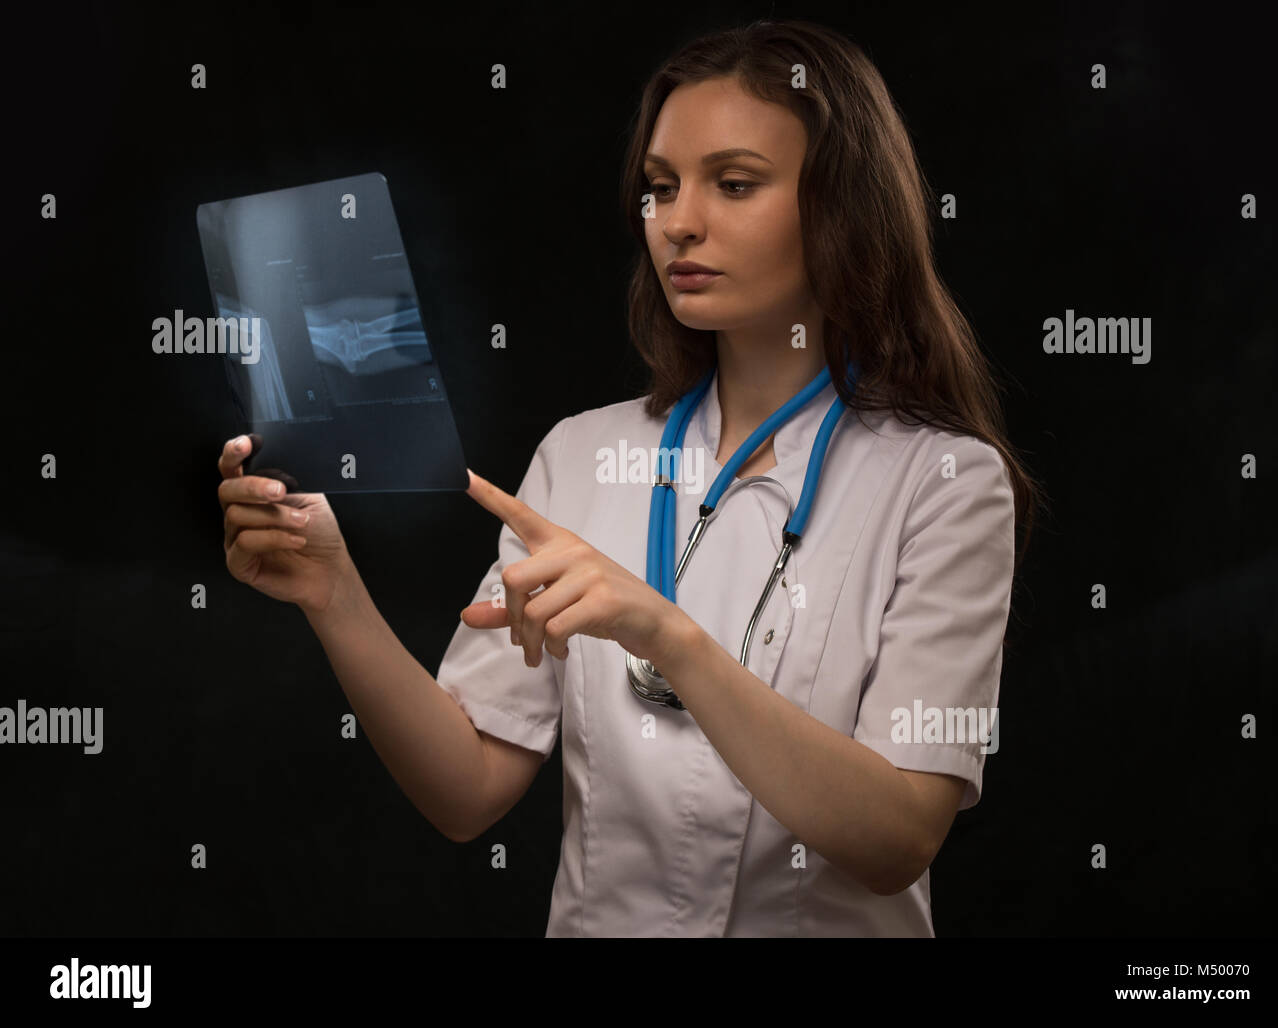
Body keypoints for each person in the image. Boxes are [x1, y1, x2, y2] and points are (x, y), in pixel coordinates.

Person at [216, 18, 1043, 937]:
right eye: (660, 187)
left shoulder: (944, 483)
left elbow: (898, 838)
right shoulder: (581, 457)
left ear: (842, 205)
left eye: (734, 184)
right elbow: (467, 789)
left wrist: (667, 637)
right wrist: (334, 593)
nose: (678, 222)